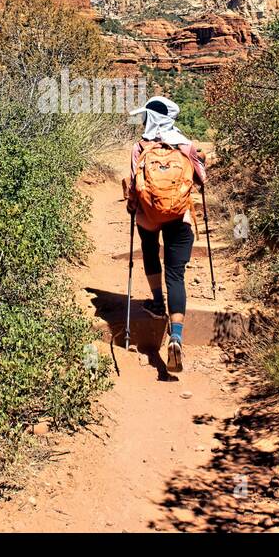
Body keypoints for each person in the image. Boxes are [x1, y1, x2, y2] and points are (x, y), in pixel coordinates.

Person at [123, 95, 207, 373]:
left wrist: (132, 207)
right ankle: (177, 336)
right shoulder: (186, 146)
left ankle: (158, 303)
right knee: (176, 274)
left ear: (150, 119)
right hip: (180, 217)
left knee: (149, 250)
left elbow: (135, 185)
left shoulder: (139, 147)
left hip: (149, 217)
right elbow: (201, 180)